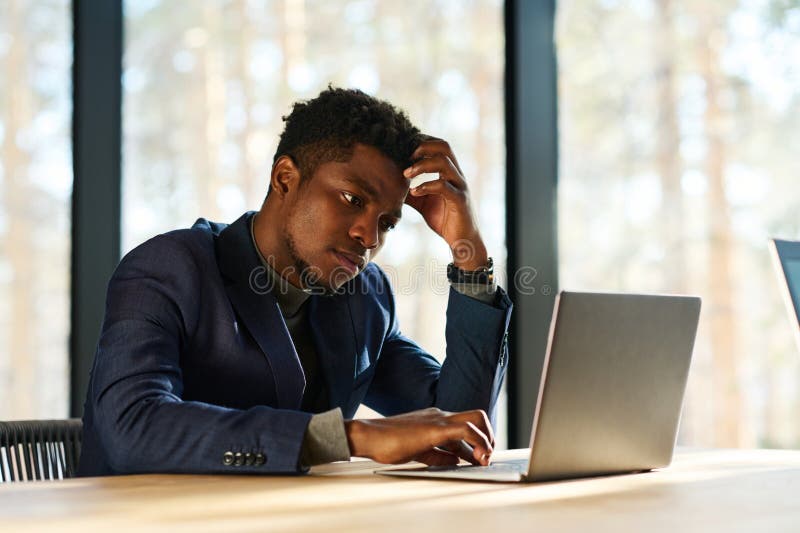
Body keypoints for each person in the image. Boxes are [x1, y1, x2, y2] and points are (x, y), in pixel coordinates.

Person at [78, 87, 512, 476]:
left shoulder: (364, 298)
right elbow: (133, 427)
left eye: (387, 222)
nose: (369, 235)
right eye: (351, 199)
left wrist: (469, 254)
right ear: (285, 178)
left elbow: (457, 426)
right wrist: (349, 437)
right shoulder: (170, 269)